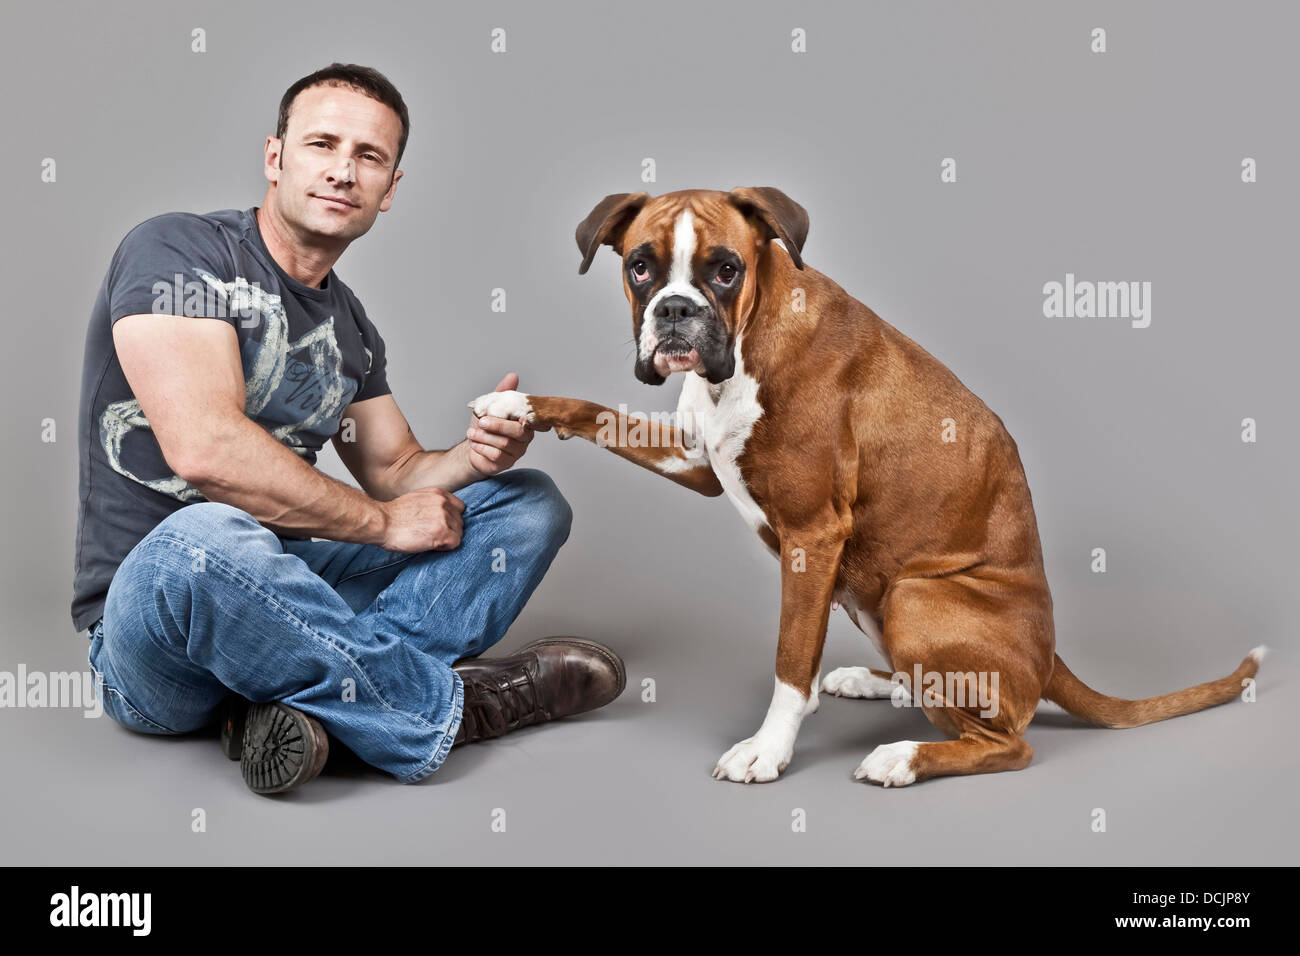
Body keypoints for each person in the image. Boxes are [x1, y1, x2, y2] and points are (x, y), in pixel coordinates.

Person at [71, 63, 623, 795]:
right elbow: (205, 450)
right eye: (322, 144)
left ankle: (307, 704)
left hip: (284, 591)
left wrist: (471, 456)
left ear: (390, 189)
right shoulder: (180, 253)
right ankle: (457, 710)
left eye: (368, 157)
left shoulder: (350, 329)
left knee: (528, 504)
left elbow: (394, 474)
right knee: (205, 536)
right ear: (275, 158)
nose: (342, 171)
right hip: (155, 629)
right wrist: (382, 524)